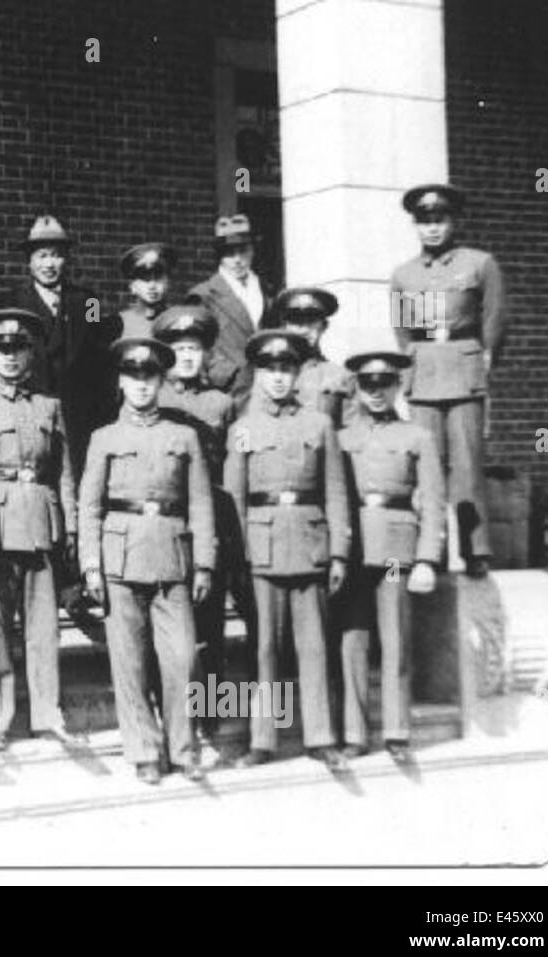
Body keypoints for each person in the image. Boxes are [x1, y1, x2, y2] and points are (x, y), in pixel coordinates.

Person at [79, 336, 216, 785]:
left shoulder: (184, 437)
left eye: (150, 377)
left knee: (182, 659)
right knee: (129, 660)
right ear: (121, 381)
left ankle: (183, 746)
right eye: (133, 377)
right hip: (120, 559)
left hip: (174, 558)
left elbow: (200, 503)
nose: (141, 386)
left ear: (162, 380)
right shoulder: (104, 438)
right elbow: (90, 507)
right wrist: (91, 566)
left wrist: (205, 564)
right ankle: (143, 749)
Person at [224, 330, 350, 771]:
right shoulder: (242, 429)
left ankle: (320, 737)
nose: (278, 378)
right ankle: (263, 740)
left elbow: (335, 490)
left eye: (286, 369)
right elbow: (233, 497)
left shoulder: (319, 425)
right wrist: (236, 558)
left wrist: (338, 553)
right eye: (269, 370)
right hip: (261, 547)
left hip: (311, 543)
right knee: (265, 648)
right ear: (257, 374)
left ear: (297, 374)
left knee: (314, 645)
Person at [0, 308, 85, 752]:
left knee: (43, 627)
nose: (11, 356)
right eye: (1, 347)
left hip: (40, 519)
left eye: (19, 347)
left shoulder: (48, 406)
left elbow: (64, 474)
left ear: (31, 353)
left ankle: (46, 713)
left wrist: (70, 527)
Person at [390, 183, 504, 576]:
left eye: (440, 220)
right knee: (426, 465)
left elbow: (494, 321)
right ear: (416, 226)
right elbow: (403, 332)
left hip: (463, 368)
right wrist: (408, 375)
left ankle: (476, 550)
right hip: (423, 376)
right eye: (425, 222)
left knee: (467, 463)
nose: (433, 229)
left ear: (453, 221)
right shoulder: (404, 275)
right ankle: (431, 550)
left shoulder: (478, 263)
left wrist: (482, 363)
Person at [337, 349, 445, 763]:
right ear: (358, 388)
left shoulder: (417, 437)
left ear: (398, 386)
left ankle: (397, 730)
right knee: (352, 641)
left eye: (385, 384)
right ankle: (354, 732)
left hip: (398, 551)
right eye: (368, 384)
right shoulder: (343, 438)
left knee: (396, 637)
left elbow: (433, 501)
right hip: (355, 549)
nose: (376, 392)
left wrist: (426, 559)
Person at [154, 303, 248, 764]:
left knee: (210, 624)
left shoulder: (221, 404)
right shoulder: (156, 402)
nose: (187, 357)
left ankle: (211, 717)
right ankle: (169, 719)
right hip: (168, 525)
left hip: (210, 522)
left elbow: (232, 468)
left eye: (195, 349)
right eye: (179, 348)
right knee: (172, 631)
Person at [0, 215, 111, 478]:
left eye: (56, 255)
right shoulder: (9, 302)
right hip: (30, 413)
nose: (49, 264)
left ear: (66, 259)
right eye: (41, 256)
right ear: (29, 262)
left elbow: (100, 357)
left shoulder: (89, 302)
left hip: (78, 416)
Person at [186, 214, 273, 403]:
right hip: (228, 389)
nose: (238, 259)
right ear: (220, 257)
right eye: (230, 253)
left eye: (243, 251)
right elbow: (197, 344)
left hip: (268, 384)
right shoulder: (204, 295)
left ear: (252, 251)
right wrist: (227, 373)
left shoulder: (266, 290)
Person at [271, 287, 355, 428]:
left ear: (324, 326)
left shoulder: (341, 377)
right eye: (296, 322)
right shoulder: (267, 374)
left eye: (311, 321)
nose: (304, 329)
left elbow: (354, 432)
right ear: (284, 326)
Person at [111, 242, 178, 340]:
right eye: (144, 279)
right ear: (132, 286)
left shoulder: (177, 320)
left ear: (167, 282)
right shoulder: (119, 324)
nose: (152, 286)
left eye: (158, 278)